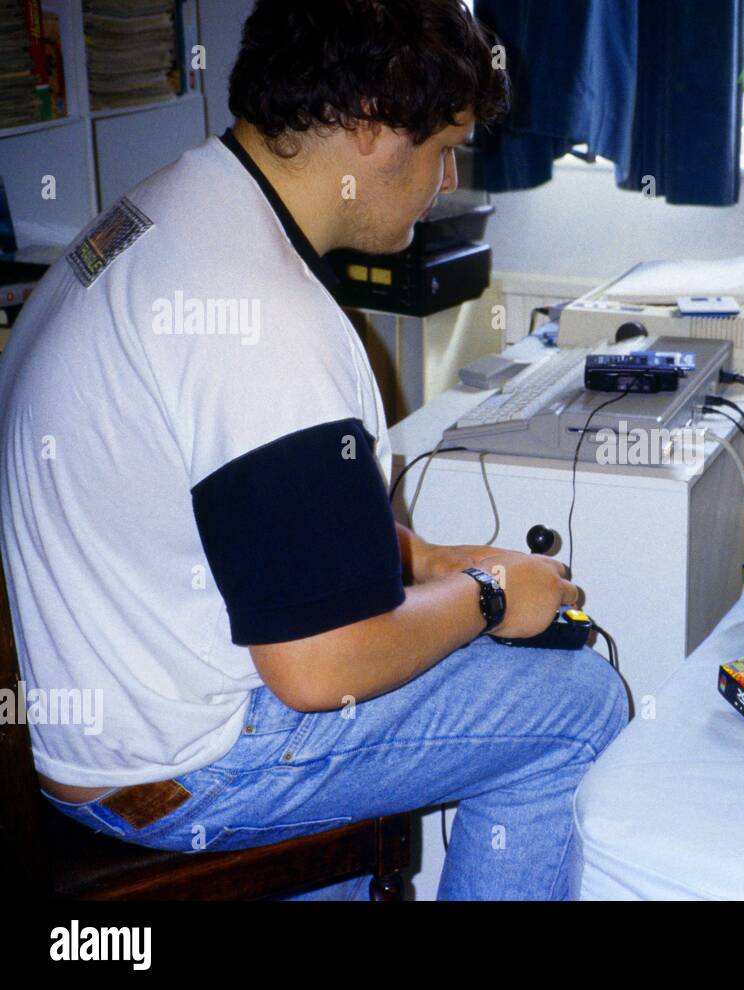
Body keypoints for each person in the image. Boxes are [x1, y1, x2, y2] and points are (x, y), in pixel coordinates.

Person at [0, 0, 628, 901]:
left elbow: (223, 525)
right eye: (443, 148)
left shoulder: (159, 212)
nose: (444, 181)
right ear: (372, 124)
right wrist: (489, 596)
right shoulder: (269, 320)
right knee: (577, 708)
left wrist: (429, 564)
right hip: (180, 770)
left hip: (97, 729)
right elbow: (317, 668)